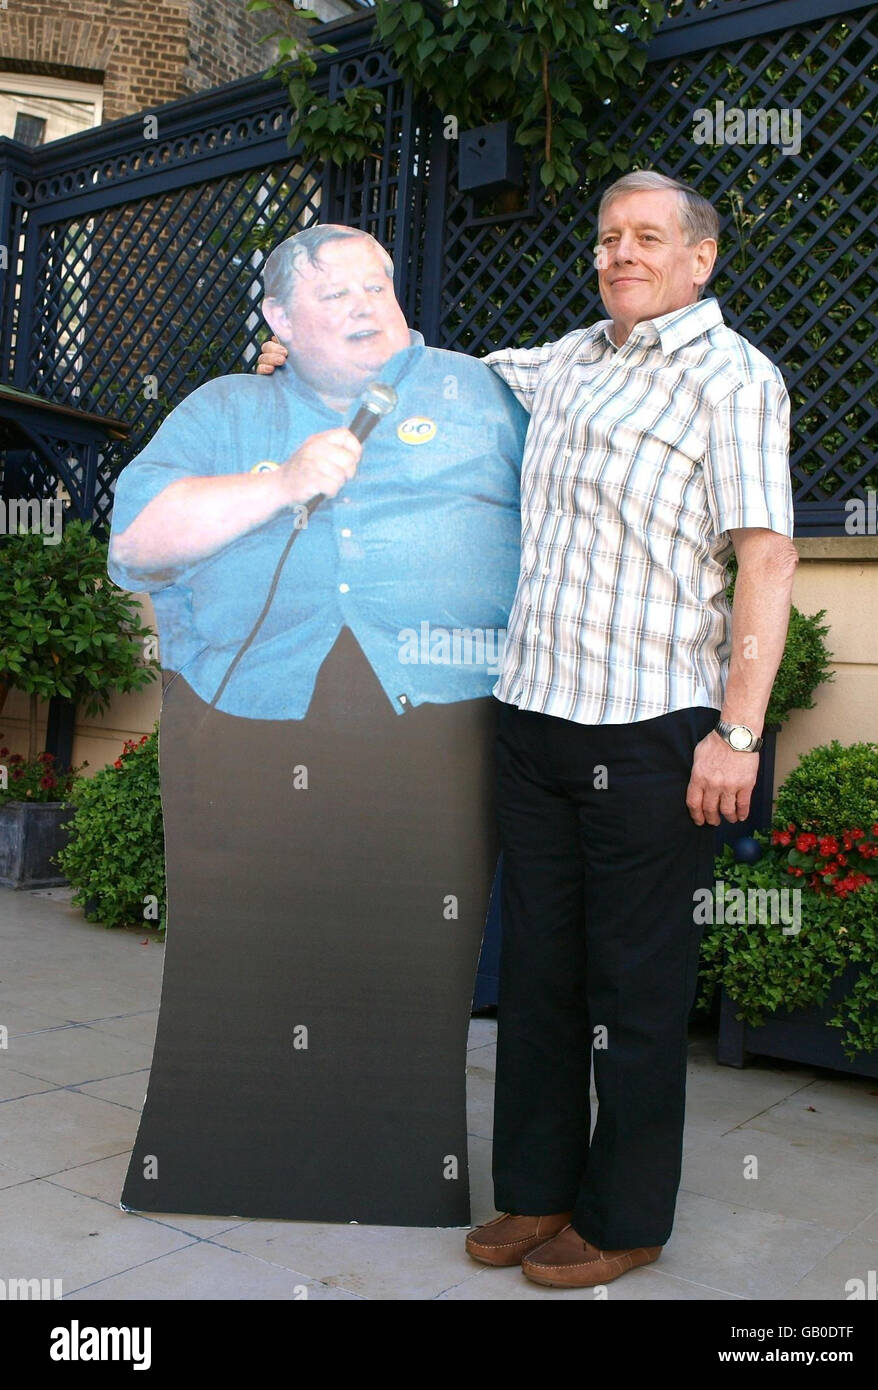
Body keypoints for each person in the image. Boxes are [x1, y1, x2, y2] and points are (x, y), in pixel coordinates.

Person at [260, 170, 798, 1286]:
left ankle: (626, 1213)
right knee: (544, 978)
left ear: (702, 258)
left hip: (655, 730)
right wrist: (312, 362)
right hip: (538, 720)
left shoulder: (733, 379)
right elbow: (425, 375)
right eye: (608, 237)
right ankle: (539, 1192)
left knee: (636, 990)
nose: (622, 254)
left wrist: (736, 733)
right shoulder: (561, 364)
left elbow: (766, 558)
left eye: (649, 237)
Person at [108, 225, 527, 1225]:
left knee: (406, 950)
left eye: (376, 282)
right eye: (332, 290)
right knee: (250, 948)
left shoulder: (483, 392)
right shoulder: (227, 405)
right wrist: (280, 481)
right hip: (248, 716)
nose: (361, 302)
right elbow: (135, 538)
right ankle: (224, 1158)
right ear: (279, 323)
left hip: (436, 724)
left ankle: (399, 1170)